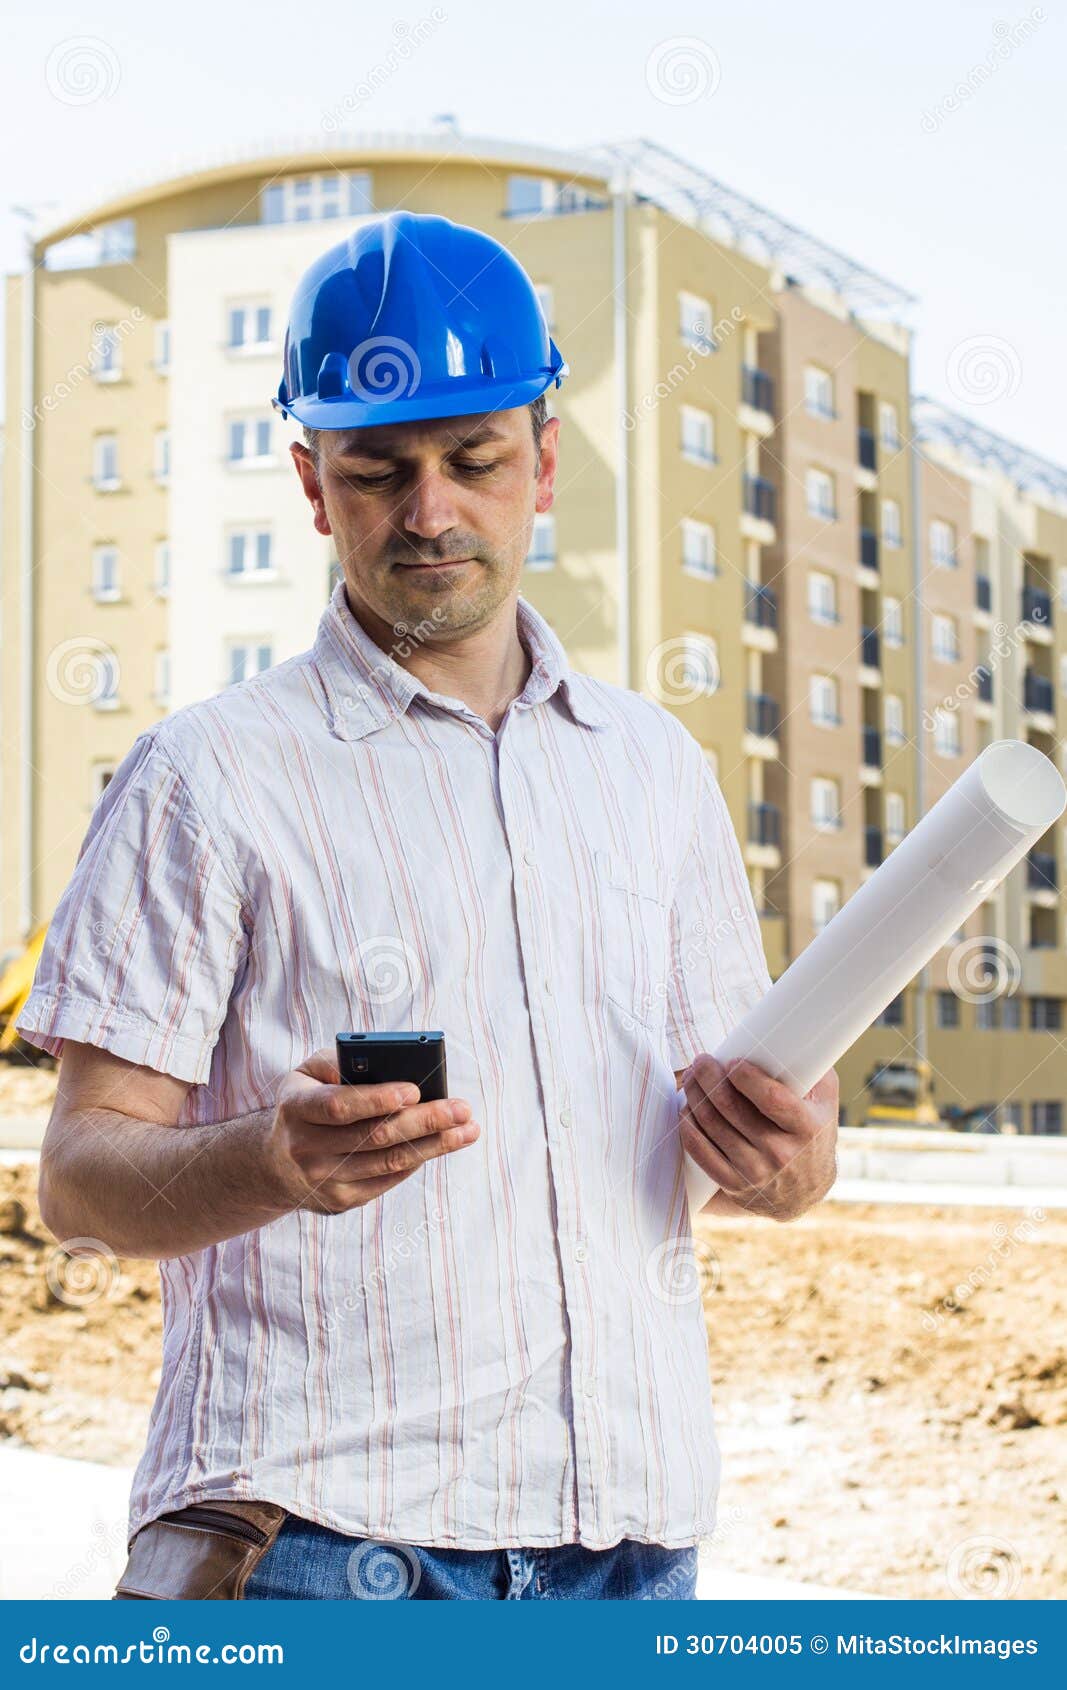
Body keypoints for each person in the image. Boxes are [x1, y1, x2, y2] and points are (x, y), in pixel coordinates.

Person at [19, 210, 838, 1603]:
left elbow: (779, 1168)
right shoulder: (205, 778)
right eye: (379, 471)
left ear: (545, 461)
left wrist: (785, 1164)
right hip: (319, 1549)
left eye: (474, 461)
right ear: (311, 481)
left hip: (628, 1553)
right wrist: (270, 1161)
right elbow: (80, 1179)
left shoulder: (657, 775)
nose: (431, 512)